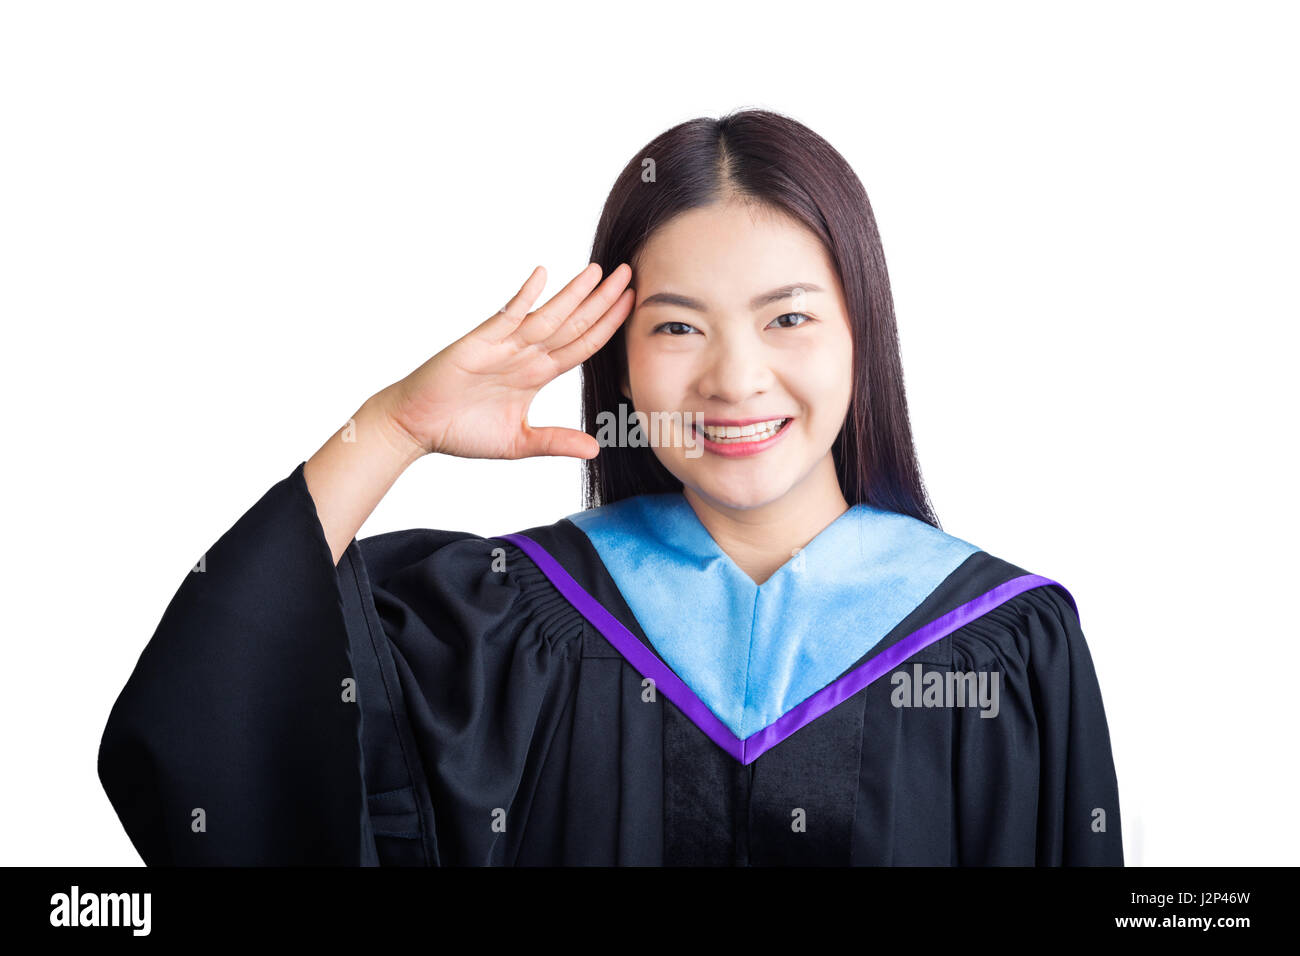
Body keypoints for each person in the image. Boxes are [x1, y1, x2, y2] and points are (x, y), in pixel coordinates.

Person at [98, 108, 1123, 866]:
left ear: (865, 335)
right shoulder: (491, 627)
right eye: (677, 325)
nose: (735, 377)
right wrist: (395, 424)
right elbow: (205, 727)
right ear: (619, 362)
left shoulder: (1006, 644)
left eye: (789, 317)